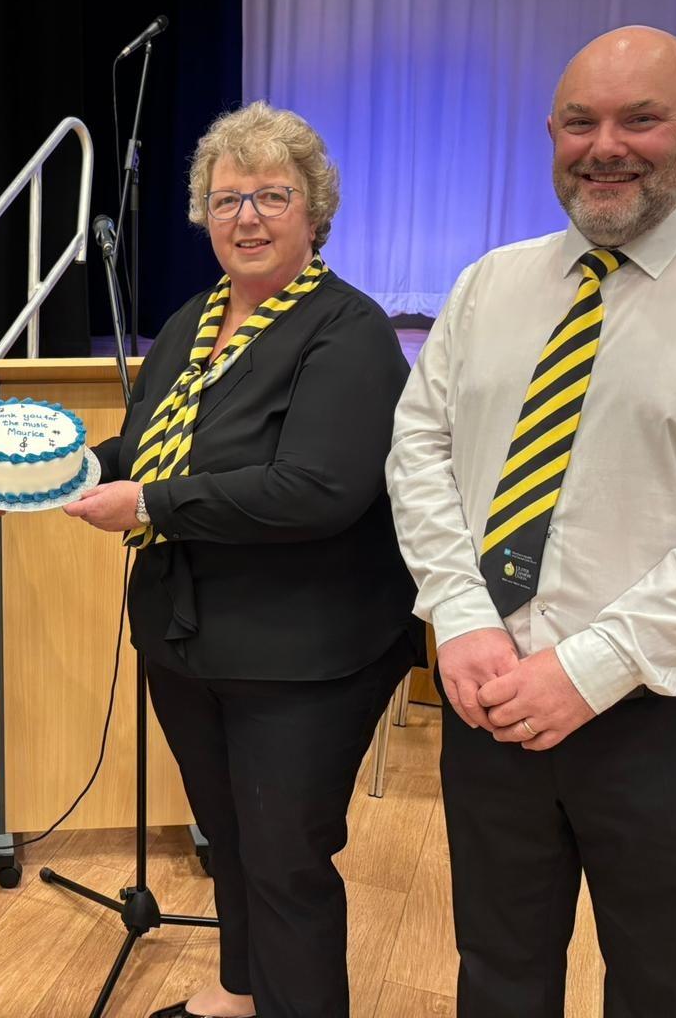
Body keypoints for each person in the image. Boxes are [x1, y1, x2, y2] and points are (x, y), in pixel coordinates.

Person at [386, 26, 676, 1016]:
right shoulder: (484, 289)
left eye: (641, 119)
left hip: (669, 721)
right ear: (548, 132)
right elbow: (418, 454)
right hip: (489, 703)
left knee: (662, 989)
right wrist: (458, 616)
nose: (605, 146)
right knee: (496, 977)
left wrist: (590, 668)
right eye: (580, 122)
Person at [66, 102, 424, 1018]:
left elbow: (316, 488)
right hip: (189, 641)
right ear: (204, 215)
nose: (249, 217)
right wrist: (59, 466)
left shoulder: (350, 332)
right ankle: (242, 992)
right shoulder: (193, 321)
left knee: (286, 856)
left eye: (273, 195)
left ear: (315, 212)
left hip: (303, 653)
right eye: (228, 200)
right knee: (227, 834)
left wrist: (146, 504)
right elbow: (147, 446)